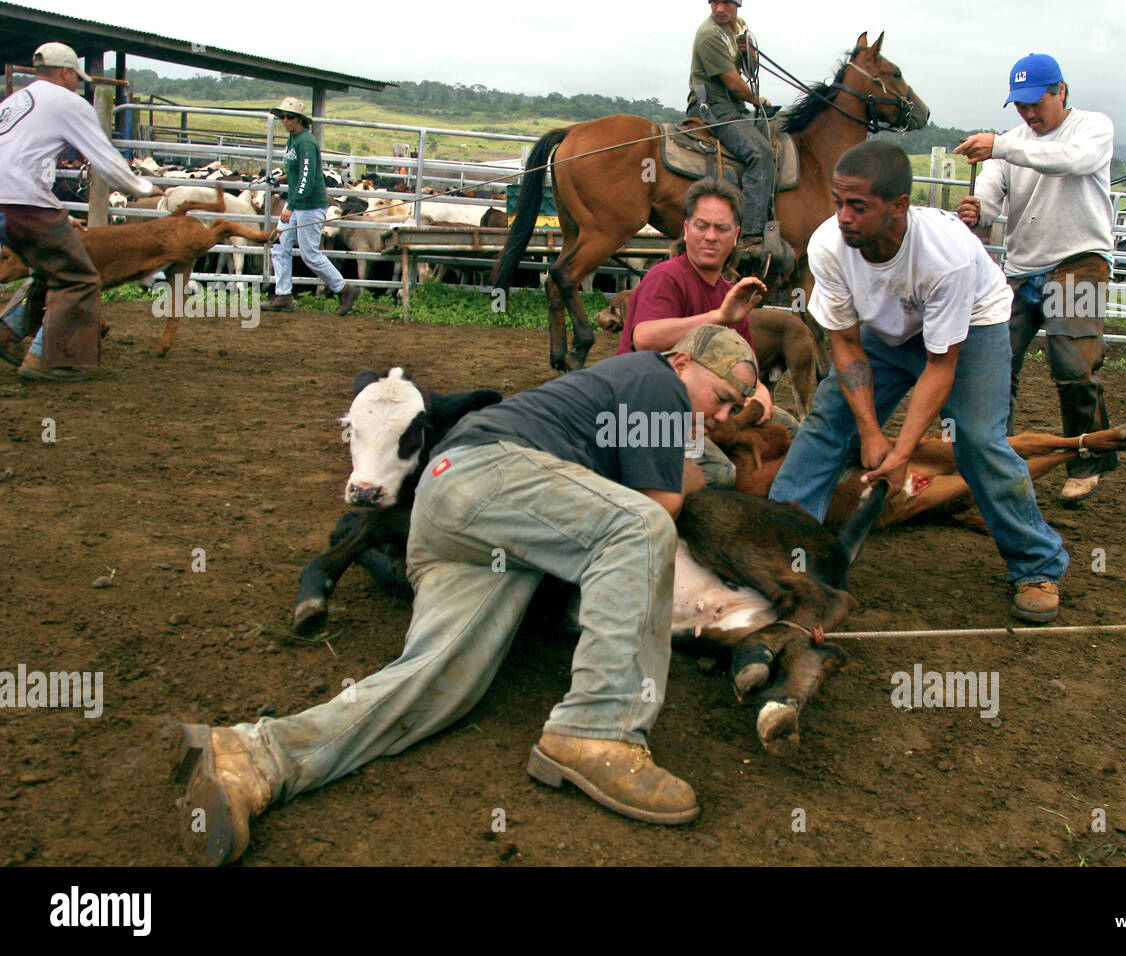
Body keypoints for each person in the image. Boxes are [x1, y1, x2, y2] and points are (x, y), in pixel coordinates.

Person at [173, 326, 760, 865]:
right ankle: (599, 731)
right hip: (492, 476)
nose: (724, 413)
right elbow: (664, 507)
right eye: (722, 396)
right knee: (640, 528)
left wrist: (694, 452)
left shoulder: (636, 389)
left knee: (442, 682)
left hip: (462, 510)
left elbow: (677, 481)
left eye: (736, 408)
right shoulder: (659, 383)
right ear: (683, 362)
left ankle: (253, 758)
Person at [767, 141, 1069, 623]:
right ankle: (776, 550)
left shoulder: (943, 257)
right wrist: (867, 431)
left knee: (977, 440)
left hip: (971, 328)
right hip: (884, 331)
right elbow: (845, 343)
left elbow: (940, 365)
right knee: (826, 427)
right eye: (839, 202)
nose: (843, 217)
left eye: (858, 206)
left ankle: (1037, 563)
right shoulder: (829, 246)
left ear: (899, 206)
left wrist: (900, 455)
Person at [955, 53, 1118, 506]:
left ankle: (1087, 457)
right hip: (1023, 270)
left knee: (1071, 363)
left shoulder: (1093, 128)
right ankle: (996, 458)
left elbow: (1073, 161)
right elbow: (990, 189)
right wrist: (979, 209)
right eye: (1020, 105)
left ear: (1060, 91)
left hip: (1083, 261)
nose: (1028, 113)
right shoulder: (1010, 145)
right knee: (992, 359)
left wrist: (1001, 145)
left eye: (1036, 103)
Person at [617, 177, 796, 486]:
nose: (710, 237)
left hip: (707, 407)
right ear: (686, 229)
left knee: (793, 429)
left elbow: (745, 366)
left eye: (721, 229)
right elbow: (644, 337)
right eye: (702, 226)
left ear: (736, 236)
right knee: (718, 471)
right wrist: (719, 316)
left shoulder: (730, 293)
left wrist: (761, 393)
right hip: (646, 412)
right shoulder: (666, 277)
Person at [0, 42, 161, 382]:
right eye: (77, 78)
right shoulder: (68, 102)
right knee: (81, 278)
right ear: (67, 73)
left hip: (14, 204)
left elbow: (19, 162)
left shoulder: (15, 101)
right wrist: (145, 188)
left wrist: (57, 211)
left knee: (48, 268)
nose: (79, 84)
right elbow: (105, 159)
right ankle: (45, 359)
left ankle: (7, 333)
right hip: (23, 204)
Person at [686, 0, 777, 253]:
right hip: (713, 105)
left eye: (725, 2)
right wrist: (757, 100)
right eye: (714, 2)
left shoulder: (739, 28)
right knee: (761, 153)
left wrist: (748, 51)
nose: (718, 8)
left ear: (737, 4)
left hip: (733, 107)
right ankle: (750, 234)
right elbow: (734, 83)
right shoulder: (709, 35)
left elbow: (750, 70)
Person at [261, 96, 358, 316]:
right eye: (282, 116)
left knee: (309, 254)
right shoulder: (294, 139)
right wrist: (282, 179)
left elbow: (307, 177)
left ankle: (345, 289)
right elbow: (298, 172)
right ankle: (283, 294)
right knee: (279, 246)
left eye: (289, 116)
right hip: (297, 203)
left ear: (300, 119)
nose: (285, 120)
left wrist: (290, 206)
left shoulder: (305, 141)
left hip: (309, 205)